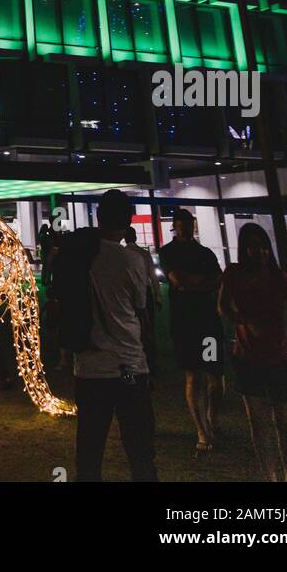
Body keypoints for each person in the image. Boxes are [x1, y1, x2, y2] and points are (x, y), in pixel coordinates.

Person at [72, 190, 158, 482]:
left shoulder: (77, 256)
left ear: (98, 217)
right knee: (140, 452)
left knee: (89, 453)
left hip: (89, 367)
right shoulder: (130, 260)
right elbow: (140, 308)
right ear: (128, 220)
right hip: (129, 365)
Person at [219, 222, 287, 483]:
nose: (260, 252)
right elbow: (222, 306)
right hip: (248, 357)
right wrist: (242, 320)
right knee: (258, 423)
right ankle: (269, 476)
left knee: (284, 421)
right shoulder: (234, 274)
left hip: (279, 356)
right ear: (244, 249)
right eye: (253, 247)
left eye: (264, 247)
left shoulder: (279, 277)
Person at [159, 208, 224, 454]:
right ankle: (201, 428)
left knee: (215, 375)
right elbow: (178, 280)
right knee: (193, 375)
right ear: (175, 225)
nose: (186, 226)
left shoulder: (204, 253)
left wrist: (192, 283)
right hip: (186, 322)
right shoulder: (168, 252)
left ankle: (212, 420)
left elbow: (217, 280)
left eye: (188, 222)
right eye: (181, 222)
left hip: (208, 321)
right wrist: (201, 283)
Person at [125, 226, 161, 376]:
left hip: (129, 293)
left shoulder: (124, 254)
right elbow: (153, 277)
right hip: (145, 292)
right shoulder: (144, 254)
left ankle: (134, 359)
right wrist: (158, 296)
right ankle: (151, 360)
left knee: (132, 326)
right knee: (148, 326)